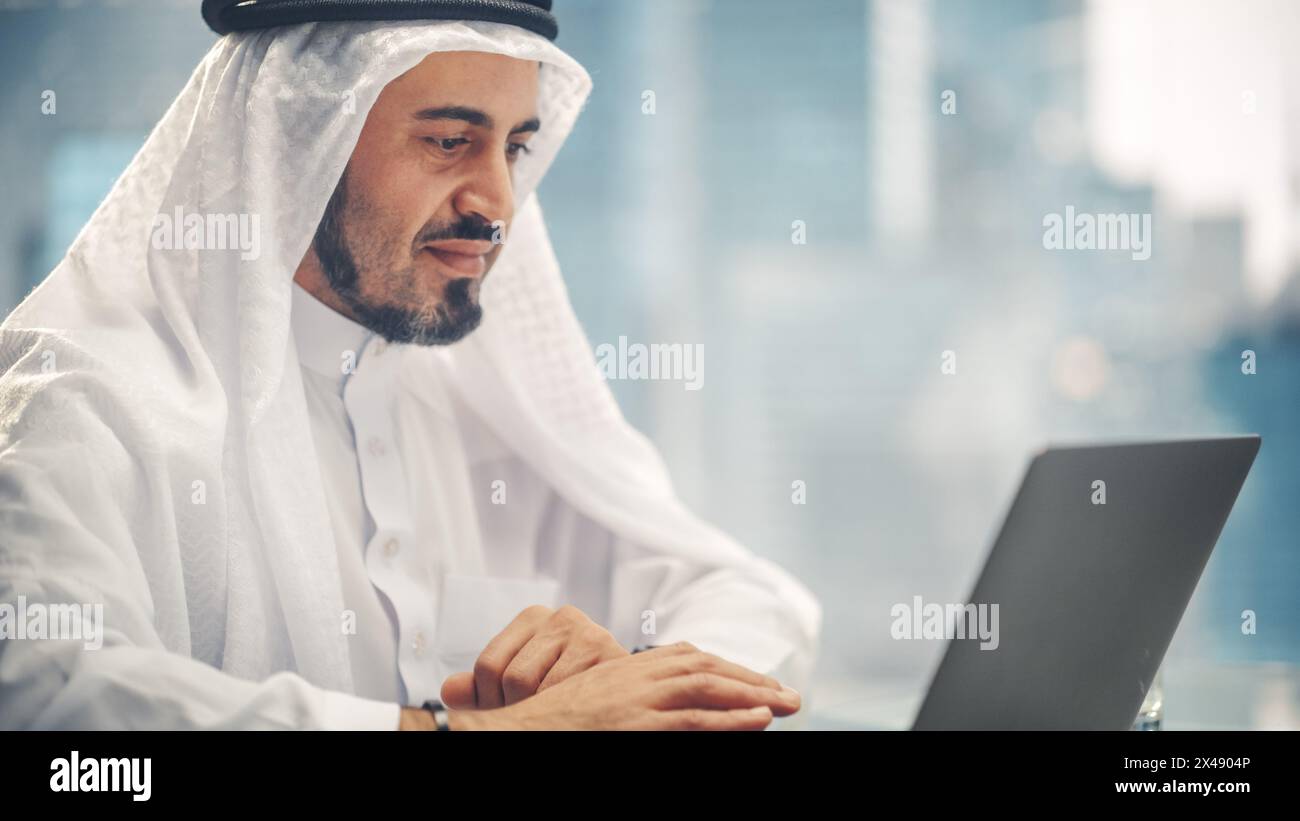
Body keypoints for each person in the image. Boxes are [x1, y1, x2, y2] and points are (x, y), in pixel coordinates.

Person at [0, 1, 819, 730]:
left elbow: (760, 601)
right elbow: (42, 693)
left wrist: (636, 686)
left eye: (515, 147)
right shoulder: (86, 396)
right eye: (449, 141)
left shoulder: (486, 393)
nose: (496, 199)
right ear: (299, 142)